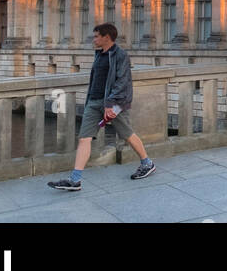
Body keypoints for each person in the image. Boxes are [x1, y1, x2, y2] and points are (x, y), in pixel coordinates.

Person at [48, 23, 154, 189]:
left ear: (106, 37)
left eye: (97, 36)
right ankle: (75, 180)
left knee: (127, 134)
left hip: (113, 104)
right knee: (84, 138)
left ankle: (147, 163)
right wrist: (91, 99)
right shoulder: (99, 54)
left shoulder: (120, 55)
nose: (94, 39)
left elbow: (122, 81)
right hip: (94, 102)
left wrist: (110, 104)